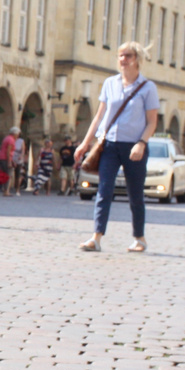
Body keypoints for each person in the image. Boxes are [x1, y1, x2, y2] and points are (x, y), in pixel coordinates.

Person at [75, 41, 161, 253]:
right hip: (110, 145)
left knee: (135, 194)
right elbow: (99, 117)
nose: (123, 59)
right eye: (121, 55)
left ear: (137, 59)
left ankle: (139, 238)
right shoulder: (110, 83)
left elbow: (152, 122)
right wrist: (85, 143)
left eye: (128, 55)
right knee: (104, 190)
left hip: (134, 147)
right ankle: (96, 237)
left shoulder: (147, 87)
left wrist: (142, 143)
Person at [0, 128, 18, 196]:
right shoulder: (11, 140)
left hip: (0, 157)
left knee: (2, 174)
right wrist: (9, 162)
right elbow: (8, 151)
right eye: (17, 134)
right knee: (9, 174)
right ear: (15, 133)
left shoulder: (6, 138)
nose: (18, 135)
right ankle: (6, 191)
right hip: (5, 158)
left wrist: (12, 160)